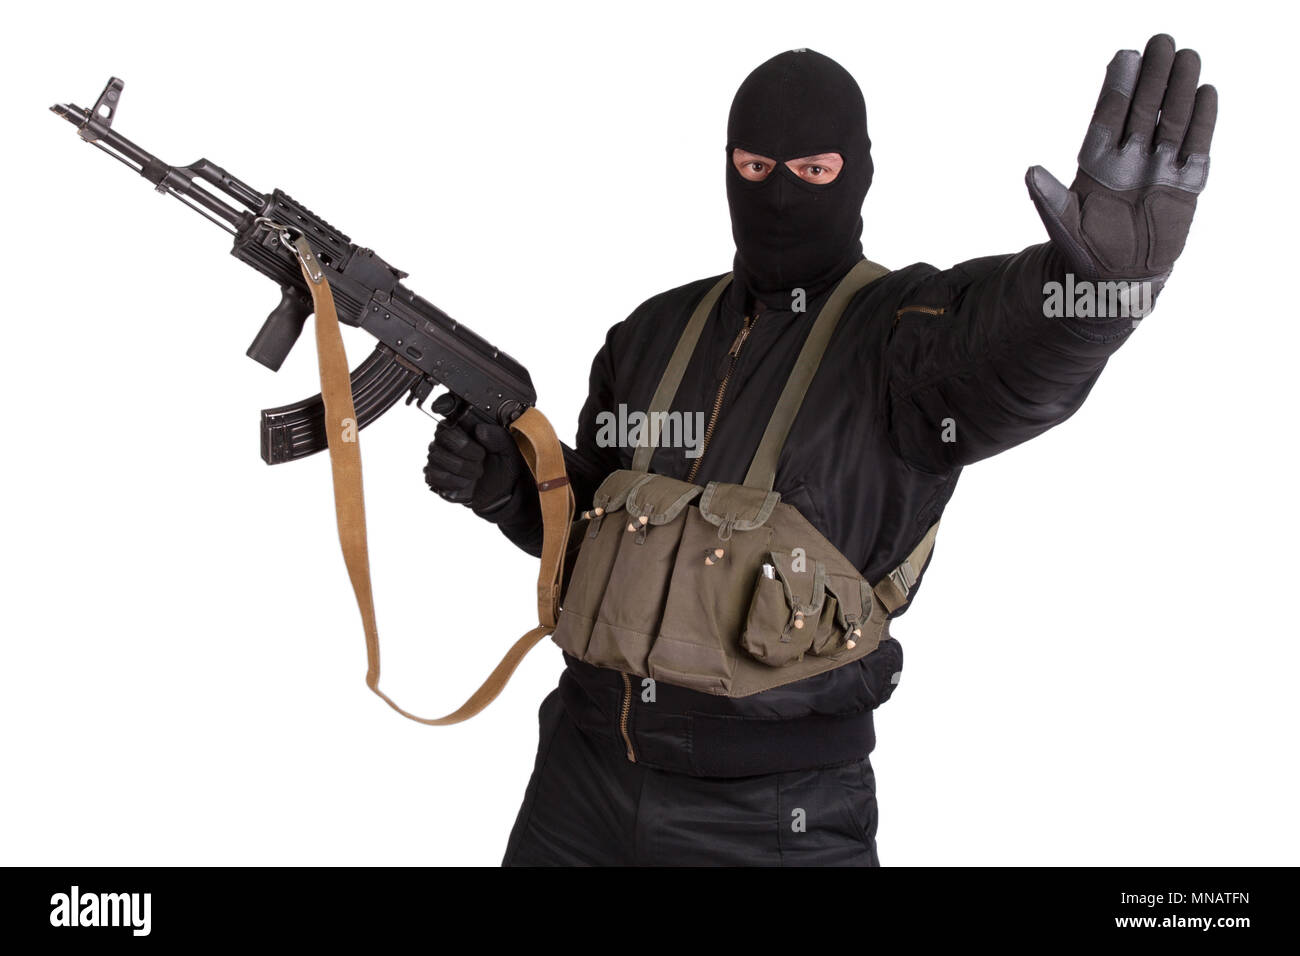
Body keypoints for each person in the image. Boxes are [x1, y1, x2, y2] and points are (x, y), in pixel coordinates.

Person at [424, 36, 1216, 866]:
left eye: (813, 172)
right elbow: (604, 540)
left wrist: (1095, 295)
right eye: (755, 167)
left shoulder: (907, 336)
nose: (778, 195)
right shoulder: (651, 331)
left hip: (777, 813)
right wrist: (511, 491)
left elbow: (1012, 351)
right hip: (577, 781)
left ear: (860, 173)